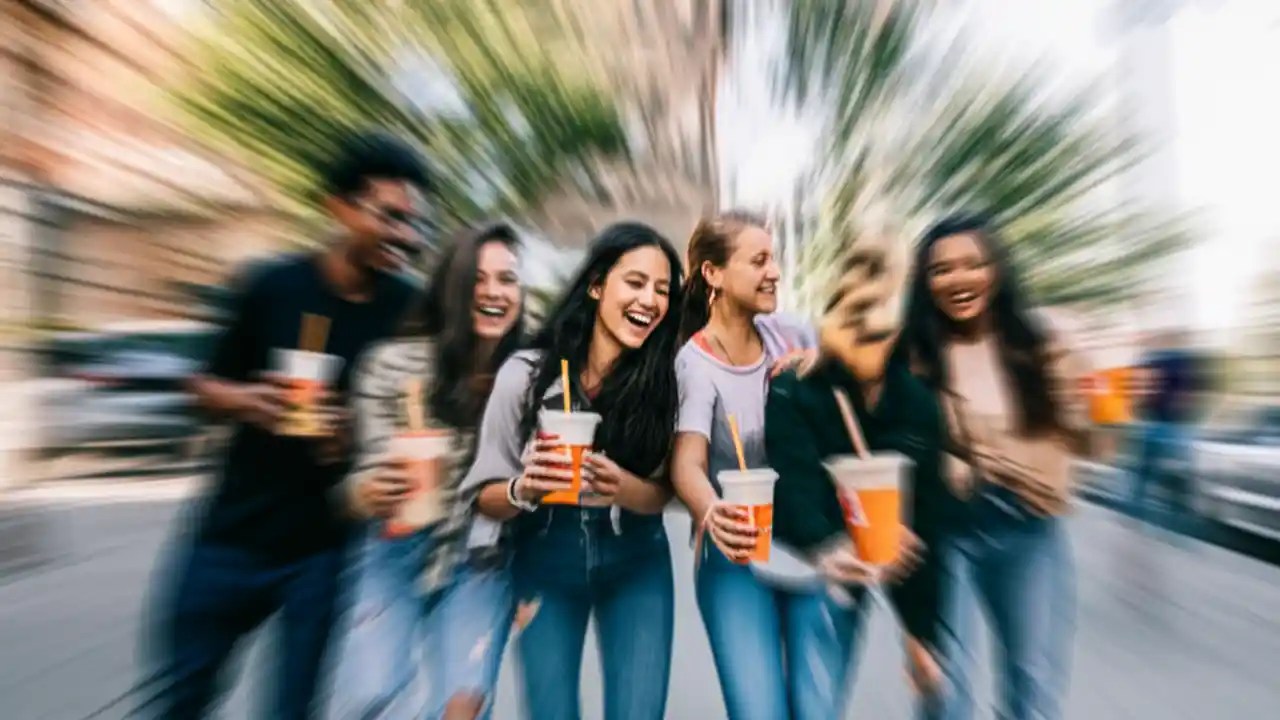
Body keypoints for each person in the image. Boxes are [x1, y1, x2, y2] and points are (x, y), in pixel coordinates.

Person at [138, 130, 428, 719]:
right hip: (229, 539)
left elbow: (408, 425)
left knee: (293, 711)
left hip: (324, 553)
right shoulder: (269, 286)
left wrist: (353, 445)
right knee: (182, 700)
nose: (404, 235)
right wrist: (251, 401)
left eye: (412, 222)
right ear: (339, 207)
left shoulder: (406, 309)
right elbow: (201, 387)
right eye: (389, 216)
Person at [461, 223, 683, 720]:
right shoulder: (524, 373)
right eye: (635, 282)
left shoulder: (664, 383)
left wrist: (625, 488)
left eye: (662, 289)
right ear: (597, 284)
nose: (649, 299)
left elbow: (663, 493)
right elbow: (483, 493)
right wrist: (524, 488)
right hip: (544, 560)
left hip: (637, 562)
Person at [668, 210, 867, 720]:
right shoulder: (694, 363)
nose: (774, 271)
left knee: (815, 712)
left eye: (773, 258)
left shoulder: (794, 335)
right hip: (736, 556)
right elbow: (687, 464)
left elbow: (854, 413)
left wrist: (821, 374)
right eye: (758, 260)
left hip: (812, 545)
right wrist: (711, 512)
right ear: (713, 274)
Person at [897, 214, 1090, 720]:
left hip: (1029, 532)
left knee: (1033, 691)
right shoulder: (912, 355)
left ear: (996, 270)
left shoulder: (1041, 345)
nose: (958, 280)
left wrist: (977, 456)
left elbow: (1079, 442)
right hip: (944, 535)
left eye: (972, 265)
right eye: (941, 270)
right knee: (944, 696)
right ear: (924, 281)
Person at [331, 223, 525, 719]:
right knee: (374, 696)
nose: (494, 292)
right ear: (451, 288)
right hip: (397, 548)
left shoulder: (528, 377)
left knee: (462, 704)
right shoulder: (392, 366)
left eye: (508, 279)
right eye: (478, 279)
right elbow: (352, 491)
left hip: (481, 558)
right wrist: (372, 489)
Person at [761, 239, 950, 720]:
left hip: (846, 576)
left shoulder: (916, 405)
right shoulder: (794, 389)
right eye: (855, 310)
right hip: (781, 561)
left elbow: (922, 522)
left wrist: (918, 633)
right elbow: (793, 487)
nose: (869, 328)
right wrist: (832, 543)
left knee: (817, 708)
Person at [1129, 328, 1204, 525]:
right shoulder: (1184, 360)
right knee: (1176, 465)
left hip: (1160, 421)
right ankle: (1179, 507)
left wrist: (1139, 406)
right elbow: (1190, 392)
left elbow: (1145, 385)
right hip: (1176, 423)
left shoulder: (1155, 359)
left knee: (1147, 466)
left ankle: (1137, 505)